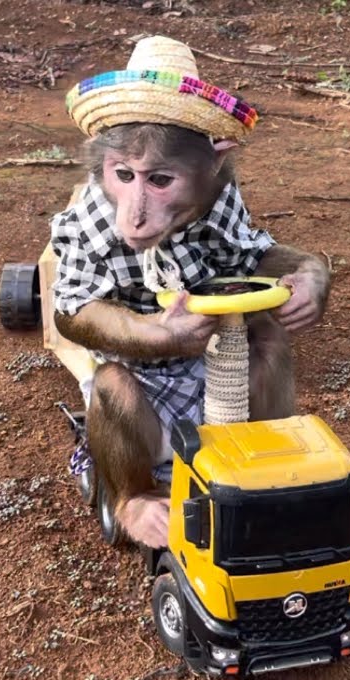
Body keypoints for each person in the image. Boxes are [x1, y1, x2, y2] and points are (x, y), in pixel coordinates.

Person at [50, 36, 331, 548]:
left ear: (214, 163)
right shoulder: (92, 217)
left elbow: (254, 254)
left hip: (211, 362)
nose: (134, 212)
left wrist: (311, 273)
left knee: (268, 338)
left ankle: (260, 466)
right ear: (103, 167)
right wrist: (154, 335)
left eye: (160, 179)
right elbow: (72, 312)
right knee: (109, 382)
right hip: (137, 385)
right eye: (123, 176)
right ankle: (131, 498)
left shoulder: (219, 198)